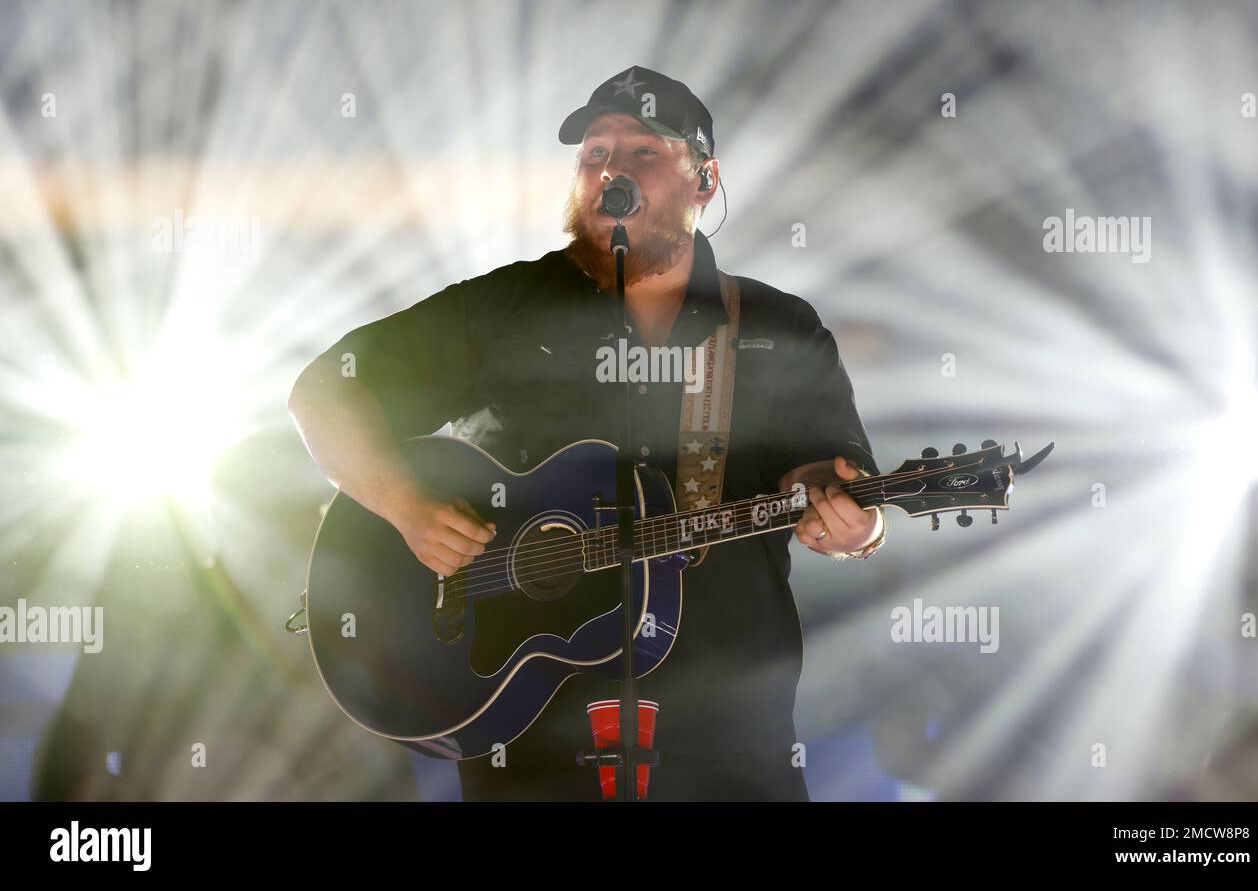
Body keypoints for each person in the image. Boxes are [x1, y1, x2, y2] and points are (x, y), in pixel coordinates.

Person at [288, 65, 886, 801]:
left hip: (727, 741)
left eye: (642, 153)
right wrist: (407, 507)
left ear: (704, 179)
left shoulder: (773, 326)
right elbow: (325, 388)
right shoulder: (507, 306)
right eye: (594, 156)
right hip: (531, 736)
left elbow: (825, 475)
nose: (611, 172)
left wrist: (848, 524)